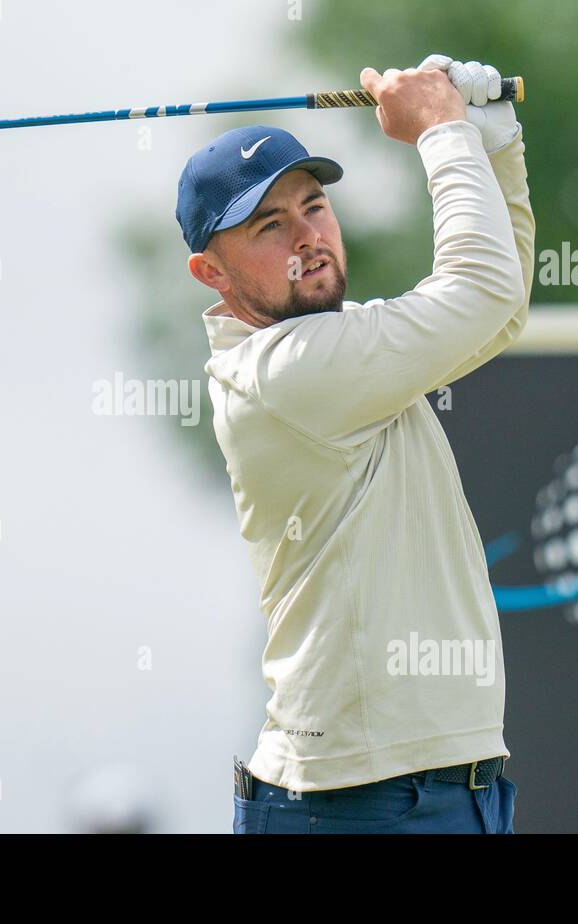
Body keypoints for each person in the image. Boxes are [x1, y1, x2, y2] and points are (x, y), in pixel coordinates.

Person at [175, 56, 534, 833]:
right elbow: (481, 294)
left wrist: (492, 147)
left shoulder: (331, 348)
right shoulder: (287, 373)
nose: (308, 237)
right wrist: (443, 131)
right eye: (270, 226)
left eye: (314, 207)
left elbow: (496, 312)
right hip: (359, 804)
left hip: (445, 789)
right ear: (212, 273)